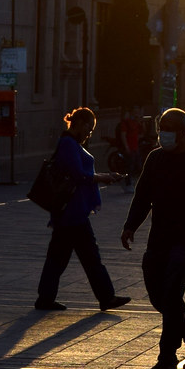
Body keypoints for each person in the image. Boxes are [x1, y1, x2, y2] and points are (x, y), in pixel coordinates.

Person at [121, 108, 185, 369]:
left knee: (172, 297)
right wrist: (130, 226)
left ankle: (167, 357)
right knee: (159, 296)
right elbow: (143, 196)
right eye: (161, 126)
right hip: (159, 239)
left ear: (183, 131)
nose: (163, 133)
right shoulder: (156, 159)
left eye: (169, 128)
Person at [35, 107, 131, 312]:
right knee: (88, 256)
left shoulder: (70, 143)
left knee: (60, 257)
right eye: (89, 127)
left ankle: (45, 298)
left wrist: (104, 175)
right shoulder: (68, 143)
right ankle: (106, 297)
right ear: (79, 123)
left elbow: (82, 173)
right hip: (72, 211)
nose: (90, 133)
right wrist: (104, 177)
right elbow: (79, 175)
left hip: (70, 211)